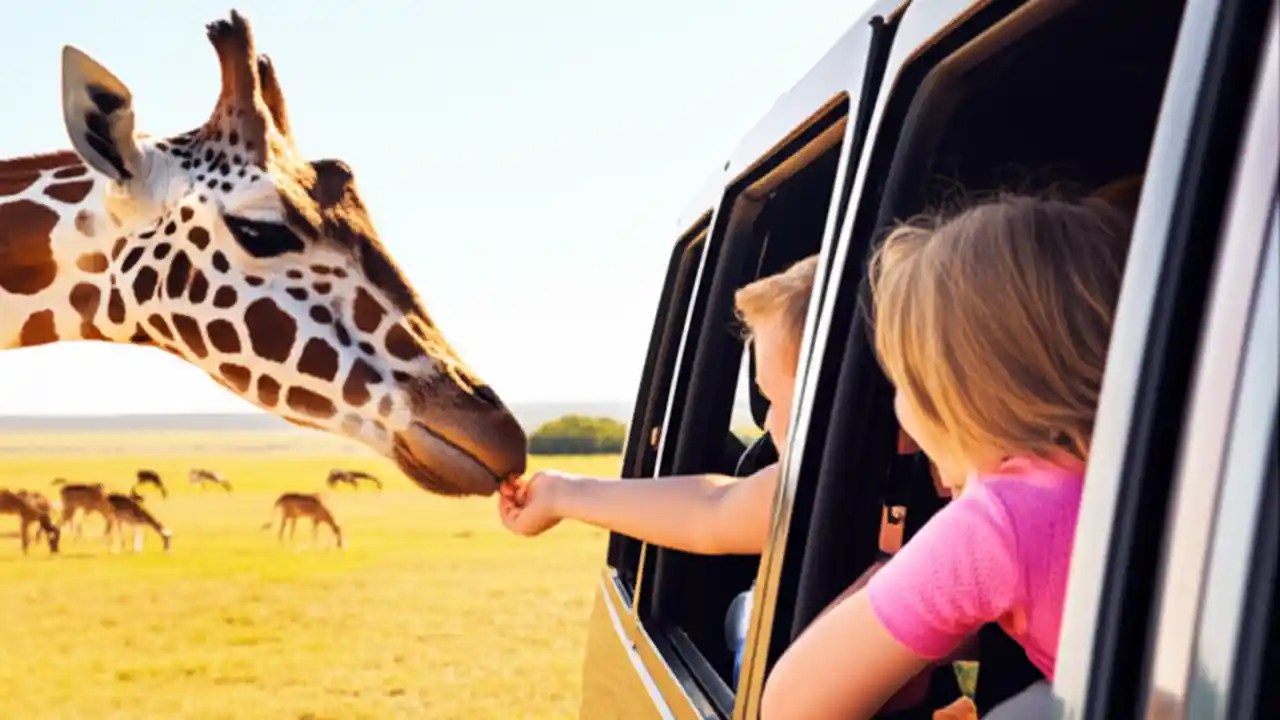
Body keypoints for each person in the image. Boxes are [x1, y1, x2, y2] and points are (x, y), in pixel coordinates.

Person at [760, 192, 1133, 719]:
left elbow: (792, 706)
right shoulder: (1160, 471)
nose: (898, 410)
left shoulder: (997, 523)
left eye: (901, 382)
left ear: (954, 391)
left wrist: (887, 581)